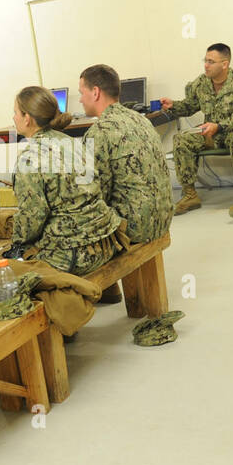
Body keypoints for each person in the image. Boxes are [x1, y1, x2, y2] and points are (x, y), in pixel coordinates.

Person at [79, 64, 172, 304]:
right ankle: (109, 289)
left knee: (71, 225)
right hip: (162, 215)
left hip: (136, 227)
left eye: (82, 92)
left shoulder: (98, 132)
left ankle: (86, 298)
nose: (80, 100)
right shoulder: (139, 119)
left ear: (96, 92)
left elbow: (92, 194)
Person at [10, 87, 124, 276]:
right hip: (106, 241)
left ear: (27, 118)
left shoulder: (29, 159)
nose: (13, 118)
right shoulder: (72, 142)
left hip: (73, 255)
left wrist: (15, 244)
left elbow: (32, 218)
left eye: (15, 113)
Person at [158, 44, 233, 217]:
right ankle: (190, 194)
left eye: (211, 62)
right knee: (181, 139)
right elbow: (190, 106)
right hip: (210, 134)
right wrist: (174, 105)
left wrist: (219, 126)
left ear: (225, 64)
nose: (206, 65)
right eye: (205, 60)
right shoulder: (201, 83)